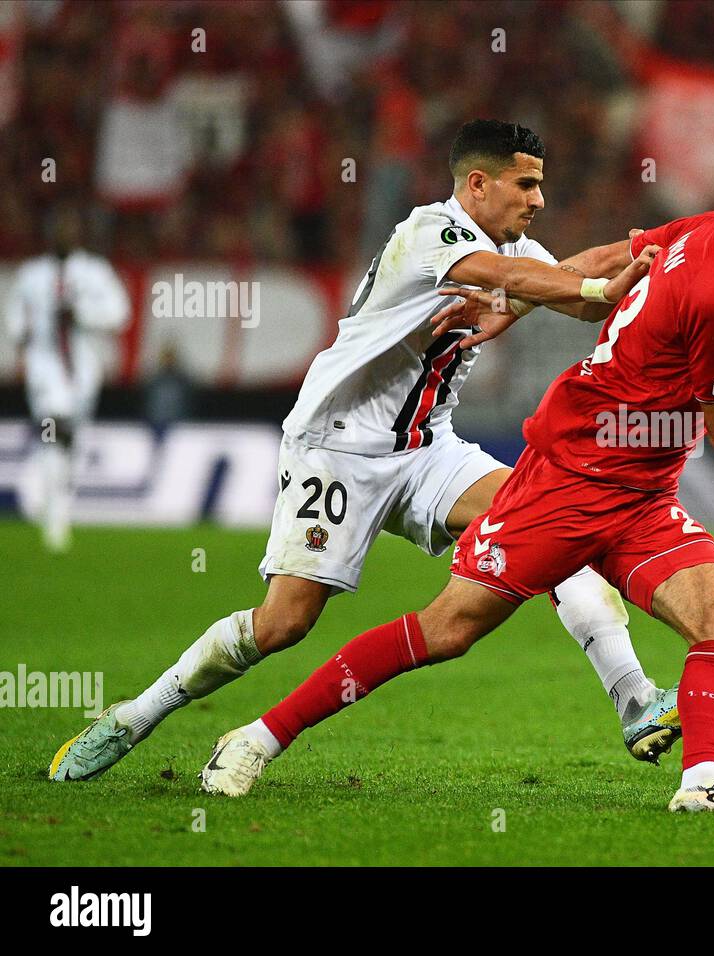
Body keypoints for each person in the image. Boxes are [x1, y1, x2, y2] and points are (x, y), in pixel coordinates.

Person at [200, 129, 714, 814]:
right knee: (446, 631)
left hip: (642, 496)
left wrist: (515, 302)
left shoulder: (706, 231)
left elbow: (606, 258)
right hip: (565, 483)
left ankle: (702, 783)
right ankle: (260, 737)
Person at [49, 120, 677, 782]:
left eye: (541, 186)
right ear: (478, 183)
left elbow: (572, 285)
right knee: (284, 623)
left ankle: (635, 700)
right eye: (527, 184)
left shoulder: (516, 249)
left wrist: (656, 248)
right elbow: (525, 280)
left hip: (428, 449)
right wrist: (591, 290)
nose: (538, 200)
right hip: (338, 448)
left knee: (555, 526)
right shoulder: (429, 233)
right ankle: (134, 715)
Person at [5, 207, 129, 553]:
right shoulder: (31, 275)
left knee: (71, 443)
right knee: (54, 426)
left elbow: (120, 313)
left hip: (84, 370)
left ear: (79, 233)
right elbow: (15, 321)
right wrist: (25, 333)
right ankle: (55, 521)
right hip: (45, 367)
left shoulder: (94, 272)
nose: (64, 232)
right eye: (58, 225)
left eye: (69, 225)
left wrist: (84, 316)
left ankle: (58, 508)